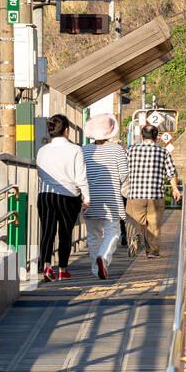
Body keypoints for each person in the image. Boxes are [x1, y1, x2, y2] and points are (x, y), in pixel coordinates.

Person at [34, 115, 90, 281]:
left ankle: (46, 267)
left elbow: (40, 173)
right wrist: (87, 198)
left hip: (45, 195)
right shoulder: (75, 150)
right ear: (67, 130)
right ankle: (63, 269)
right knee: (65, 233)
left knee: (47, 232)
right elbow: (81, 177)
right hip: (68, 197)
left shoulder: (42, 150)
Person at [81, 113, 128, 280]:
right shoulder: (117, 149)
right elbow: (123, 174)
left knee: (94, 235)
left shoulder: (84, 150)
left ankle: (96, 269)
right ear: (110, 132)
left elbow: (80, 175)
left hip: (90, 199)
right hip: (111, 199)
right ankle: (104, 258)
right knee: (113, 233)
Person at [126, 124, 179, 258]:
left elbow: (123, 171)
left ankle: (136, 235)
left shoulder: (130, 151)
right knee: (153, 225)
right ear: (156, 137)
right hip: (156, 195)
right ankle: (152, 252)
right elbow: (171, 173)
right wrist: (175, 189)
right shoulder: (163, 152)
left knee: (134, 220)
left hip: (135, 195)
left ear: (141, 137)